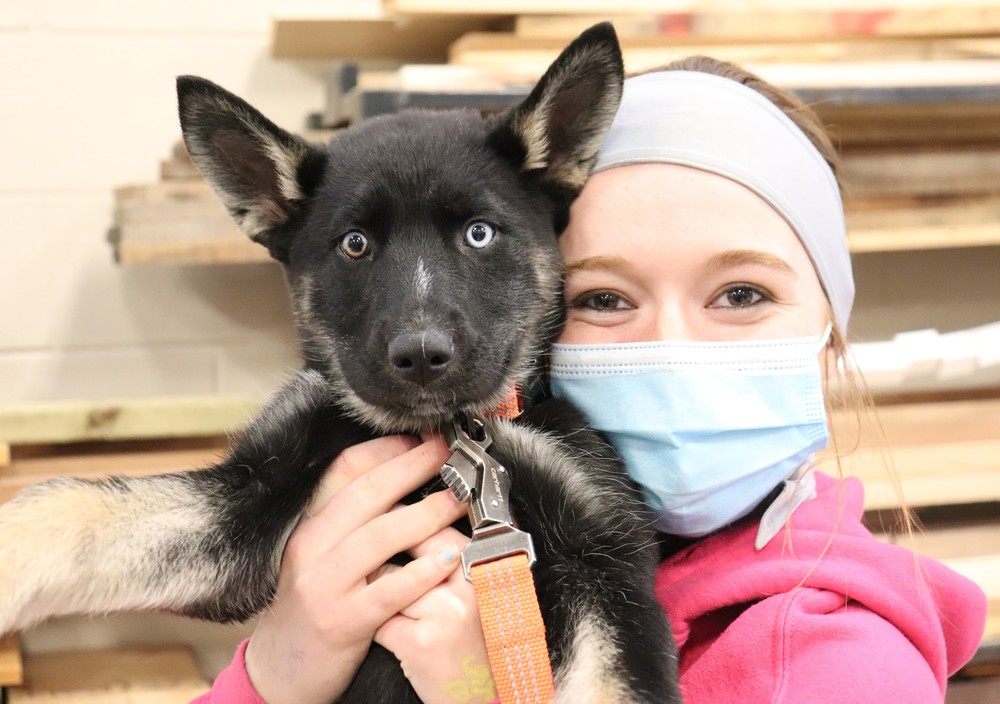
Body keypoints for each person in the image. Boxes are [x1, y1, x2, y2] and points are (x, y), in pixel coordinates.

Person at [193, 57, 987, 704]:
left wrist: (483, 688)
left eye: (741, 294)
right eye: (603, 299)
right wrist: (275, 676)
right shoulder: (472, 534)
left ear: (828, 335)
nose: (671, 348)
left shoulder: (833, 665)